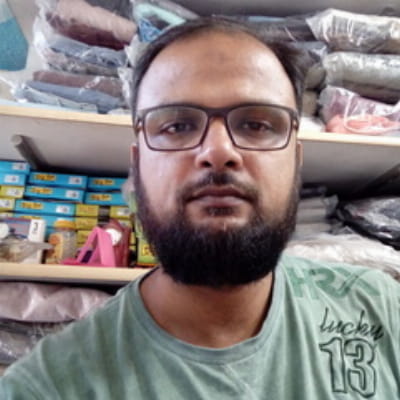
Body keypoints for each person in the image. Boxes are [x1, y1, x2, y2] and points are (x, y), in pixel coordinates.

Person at [1, 17, 399, 399]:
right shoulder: (44, 387)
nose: (219, 150)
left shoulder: (381, 309)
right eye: (176, 125)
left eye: (257, 125)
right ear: (138, 163)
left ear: (295, 158)